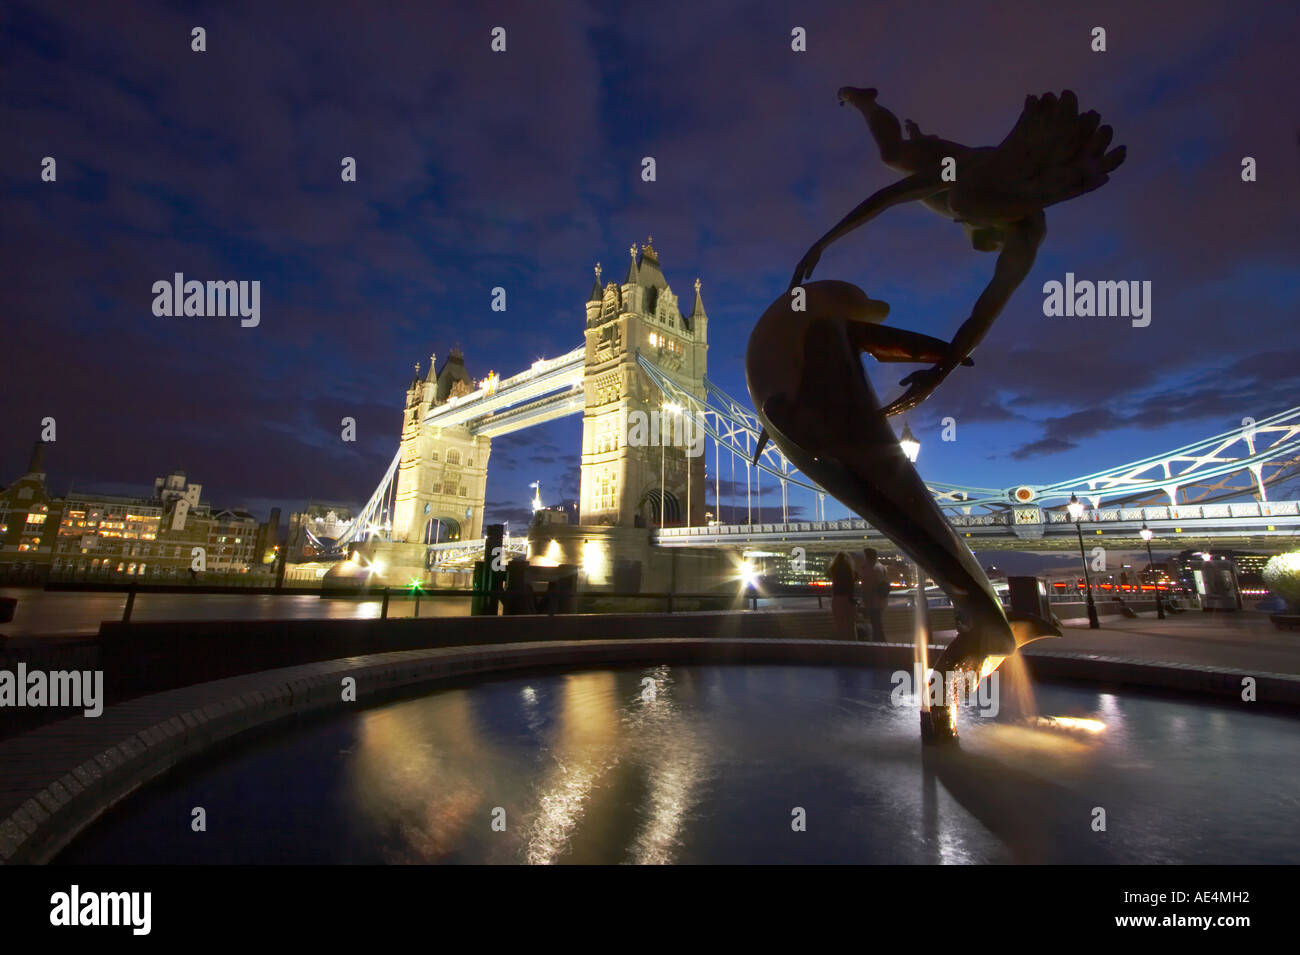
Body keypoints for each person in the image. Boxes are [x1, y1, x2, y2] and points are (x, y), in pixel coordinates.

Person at [857, 547, 889, 641]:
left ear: (867, 557)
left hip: (873, 602)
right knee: (878, 625)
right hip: (881, 601)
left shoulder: (872, 569)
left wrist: (865, 602)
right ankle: (881, 644)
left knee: (876, 626)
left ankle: (879, 645)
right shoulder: (881, 567)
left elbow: (868, 588)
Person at [827, 552, 857, 641]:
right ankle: (854, 644)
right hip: (848, 598)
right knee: (851, 624)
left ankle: (842, 643)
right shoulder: (850, 570)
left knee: (839, 624)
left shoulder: (833, 569)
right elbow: (851, 586)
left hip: (837, 598)